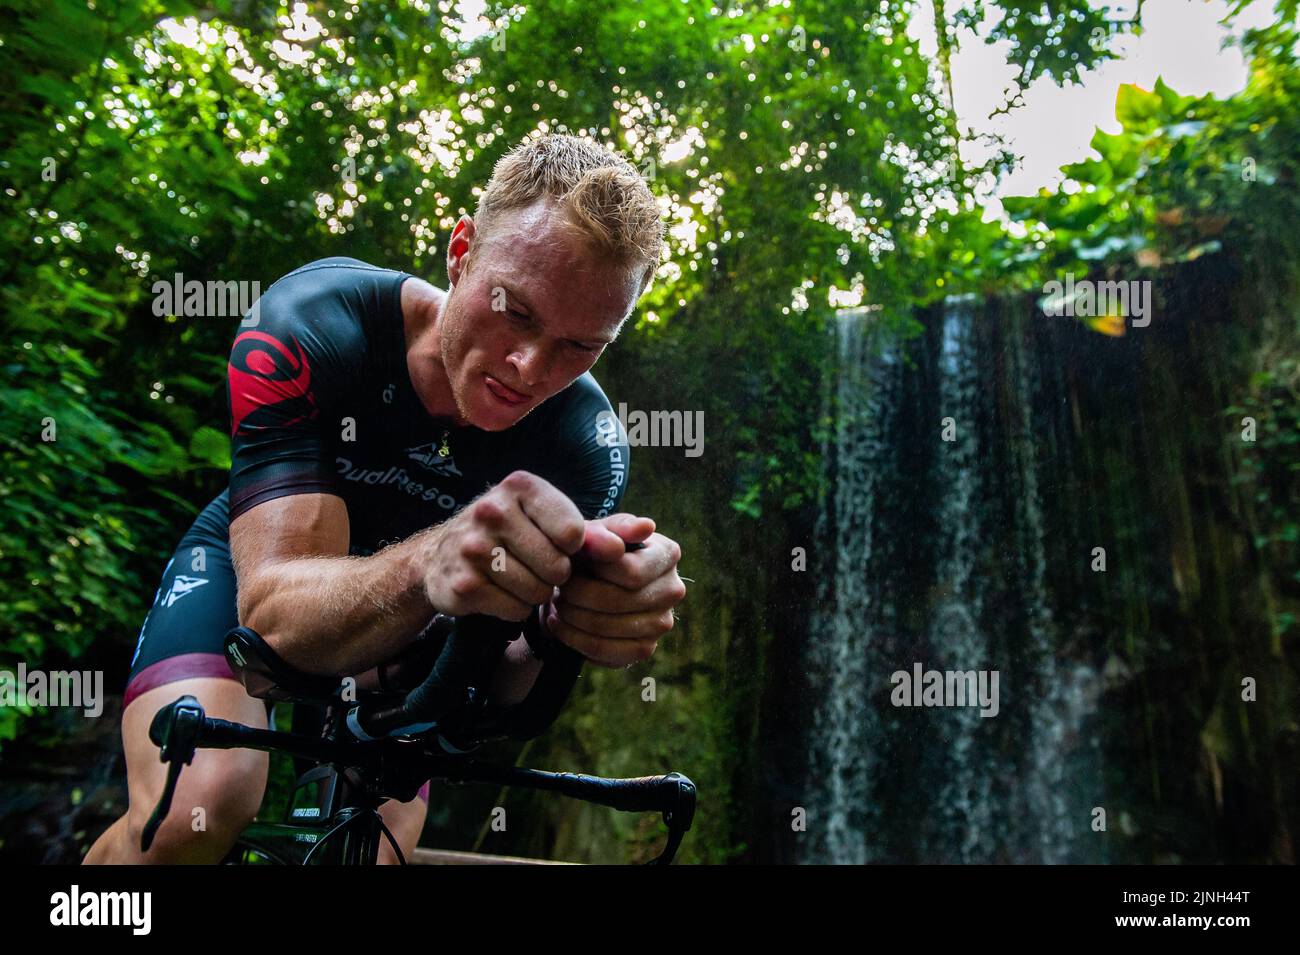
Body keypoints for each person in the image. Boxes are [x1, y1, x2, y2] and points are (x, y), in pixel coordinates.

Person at [83, 134, 686, 864]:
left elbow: (495, 694)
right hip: (254, 569)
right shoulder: (313, 322)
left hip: (413, 632)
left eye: (579, 346)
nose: (530, 368)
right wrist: (436, 553)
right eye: (516, 312)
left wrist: (569, 629)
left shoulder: (583, 447)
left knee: (371, 853)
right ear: (460, 250)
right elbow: (275, 626)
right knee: (201, 802)